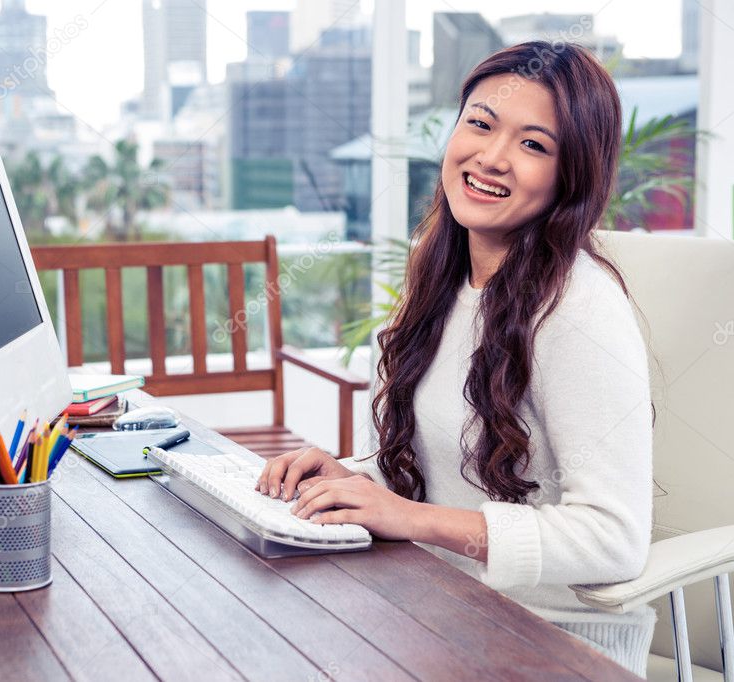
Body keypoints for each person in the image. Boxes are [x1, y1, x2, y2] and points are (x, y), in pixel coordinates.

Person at [257, 41, 655, 677]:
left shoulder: (580, 310)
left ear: (570, 173)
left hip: (553, 643)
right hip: (435, 609)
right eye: (480, 123)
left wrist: (413, 519)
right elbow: (451, 470)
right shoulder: (440, 274)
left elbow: (615, 539)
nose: (491, 158)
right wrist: (358, 480)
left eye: (533, 145)